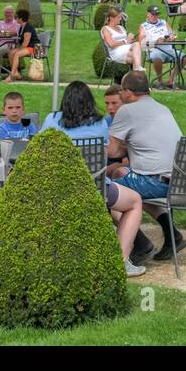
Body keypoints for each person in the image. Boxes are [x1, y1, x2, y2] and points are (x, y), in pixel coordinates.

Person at [40, 80, 147, 276]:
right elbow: (105, 156)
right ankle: (121, 261)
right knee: (135, 201)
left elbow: (40, 150)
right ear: (90, 101)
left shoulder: (51, 120)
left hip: (57, 190)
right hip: (95, 190)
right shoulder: (99, 123)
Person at [108, 70, 185, 263]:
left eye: (121, 93)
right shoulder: (162, 108)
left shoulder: (127, 110)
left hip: (154, 182)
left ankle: (141, 245)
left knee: (108, 193)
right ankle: (172, 235)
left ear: (127, 92)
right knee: (129, 182)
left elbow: (112, 152)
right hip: (179, 181)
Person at [138, 5, 178, 88]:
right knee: (156, 57)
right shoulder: (143, 26)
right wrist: (156, 42)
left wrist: (171, 37)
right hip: (155, 50)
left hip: (169, 49)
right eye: (153, 15)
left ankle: (171, 80)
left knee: (183, 57)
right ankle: (160, 81)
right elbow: (142, 45)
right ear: (148, 15)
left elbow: (172, 33)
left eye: (157, 14)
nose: (156, 17)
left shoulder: (163, 22)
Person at [101, 6, 144, 73]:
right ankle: (138, 73)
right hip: (115, 52)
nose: (120, 19)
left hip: (125, 50)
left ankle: (136, 74)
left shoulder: (121, 28)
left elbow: (127, 42)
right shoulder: (106, 29)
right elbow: (111, 44)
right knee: (137, 53)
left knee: (136, 56)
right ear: (111, 18)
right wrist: (125, 41)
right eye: (118, 17)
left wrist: (133, 38)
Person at [2, 8, 40, 82]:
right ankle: (16, 73)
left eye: (16, 17)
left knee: (16, 54)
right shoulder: (21, 27)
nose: (15, 19)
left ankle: (12, 75)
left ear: (21, 18)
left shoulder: (28, 28)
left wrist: (17, 49)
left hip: (35, 48)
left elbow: (25, 44)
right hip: (29, 47)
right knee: (10, 52)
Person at [0, 5, 21, 74]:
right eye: (6, 12)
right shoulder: (0, 23)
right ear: (4, 13)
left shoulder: (16, 23)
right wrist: (6, 33)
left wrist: (1, 32)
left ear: (13, 13)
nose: (8, 14)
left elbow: (14, 33)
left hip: (9, 45)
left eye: (10, 12)